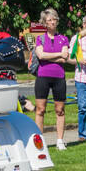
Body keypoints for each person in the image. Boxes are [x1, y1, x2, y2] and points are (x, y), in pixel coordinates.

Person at [32, 8, 70, 150]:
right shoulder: (40, 38)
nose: (52, 22)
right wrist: (58, 55)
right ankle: (39, 141)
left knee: (60, 110)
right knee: (40, 109)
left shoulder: (63, 38)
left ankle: (60, 140)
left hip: (59, 77)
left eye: (54, 19)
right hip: (43, 76)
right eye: (49, 20)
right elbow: (41, 56)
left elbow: (65, 57)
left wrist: (55, 55)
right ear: (45, 23)